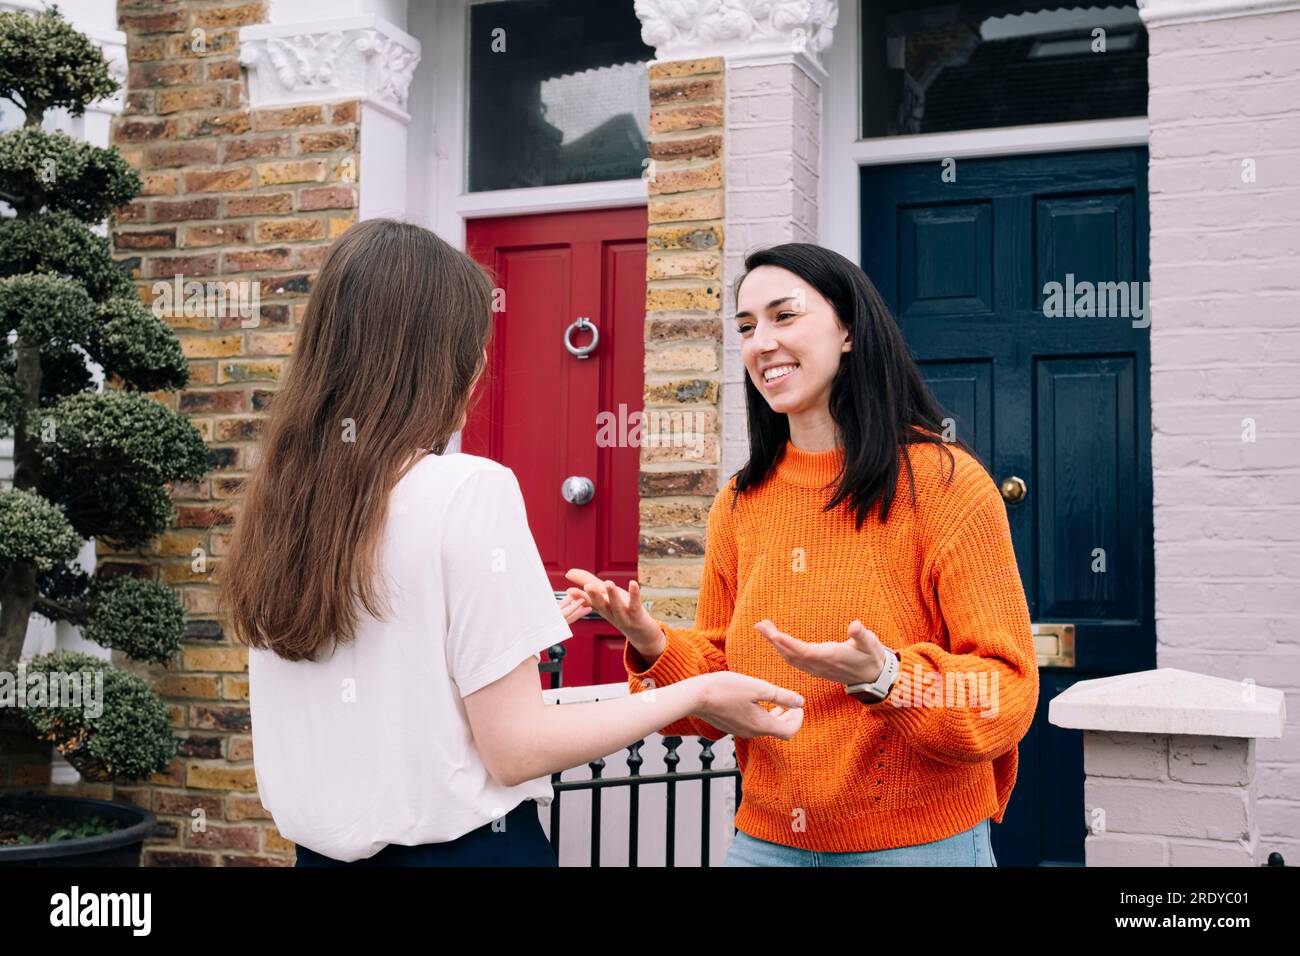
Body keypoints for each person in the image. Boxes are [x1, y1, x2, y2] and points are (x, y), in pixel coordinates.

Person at [218, 219, 805, 867]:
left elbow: (373, 662)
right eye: (475, 342)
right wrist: (696, 693)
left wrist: (501, 638)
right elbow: (517, 749)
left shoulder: (283, 502)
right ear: (438, 359)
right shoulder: (469, 489)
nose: (482, 364)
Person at [567, 242, 1039, 866]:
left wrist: (886, 678)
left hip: (916, 847)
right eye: (746, 327)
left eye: (784, 316)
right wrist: (652, 642)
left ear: (848, 330)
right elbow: (715, 700)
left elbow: (1003, 693)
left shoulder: (947, 486)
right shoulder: (740, 501)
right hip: (765, 845)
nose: (761, 342)